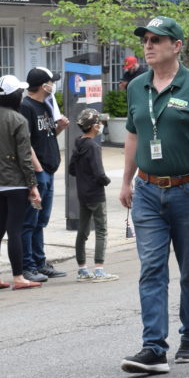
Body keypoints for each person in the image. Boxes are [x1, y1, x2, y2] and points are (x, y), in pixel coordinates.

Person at [119, 15, 189, 375]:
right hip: (149, 191)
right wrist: (127, 181)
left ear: (177, 46)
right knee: (151, 268)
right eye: (146, 40)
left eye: (157, 39)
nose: (148, 46)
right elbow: (135, 135)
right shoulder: (137, 87)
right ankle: (153, 347)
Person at [0, 75, 43, 290]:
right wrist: (33, 185)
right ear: (15, 95)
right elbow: (24, 156)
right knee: (14, 230)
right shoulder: (19, 120)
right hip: (16, 182)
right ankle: (18, 277)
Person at [20, 67, 67, 281]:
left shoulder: (46, 104)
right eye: (51, 81)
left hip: (49, 170)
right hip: (39, 173)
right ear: (43, 85)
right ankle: (27, 265)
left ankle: (40, 262)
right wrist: (37, 170)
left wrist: (59, 128)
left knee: (41, 221)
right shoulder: (26, 106)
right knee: (30, 221)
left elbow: (45, 136)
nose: (53, 85)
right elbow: (26, 143)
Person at [70, 108, 119, 282]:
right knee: (101, 230)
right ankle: (99, 269)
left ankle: (82, 269)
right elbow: (99, 173)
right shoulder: (94, 146)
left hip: (83, 194)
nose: (100, 126)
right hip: (96, 195)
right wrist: (106, 181)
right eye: (99, 123)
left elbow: (71, 169)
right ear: (94, 126)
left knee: (82, 231)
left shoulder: (78, 143)